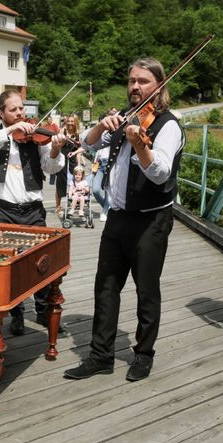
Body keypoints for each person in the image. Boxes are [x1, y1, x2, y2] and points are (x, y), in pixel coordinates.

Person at [64, 57, 185, 382]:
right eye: (132, 80)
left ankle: (143, 354)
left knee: (146, 291)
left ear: (159, 85)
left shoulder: (167, 125)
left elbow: (160, 173)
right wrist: (102, 126)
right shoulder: (125, 118)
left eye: (143, 81)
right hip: (117, 217)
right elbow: (87, 143)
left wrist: (138, 145)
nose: (135, 86)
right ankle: (100, 355)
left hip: (150, 220)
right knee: (105, 287)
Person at [0, 91, 66, 335]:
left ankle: (43, 309)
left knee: (41, 262)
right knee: (10, 265)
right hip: (4, 210)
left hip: (33, 210)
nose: (20, 114)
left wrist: (55, 149)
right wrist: (9, 130)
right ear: (1, 113)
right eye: (13, 110)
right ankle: (16, 315)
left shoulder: (36, 136)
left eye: (21, 109)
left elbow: (51, 166)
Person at [54, 115, 84, 217]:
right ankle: (58, 206)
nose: (70, 123)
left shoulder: (78, 134)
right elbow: (57, 144)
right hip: (62, 159)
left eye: (72, 121)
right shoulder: (63, 131)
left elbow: (80, 150)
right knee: (60, 182)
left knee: (76, 182)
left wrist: (79, 165)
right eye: (69, 121)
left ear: (75, 122)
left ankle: (75, 203)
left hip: (72, 159)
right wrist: (62, 135)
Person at [91, 126, 111, 222]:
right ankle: (106, 207)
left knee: (108, 190)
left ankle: (104, 211)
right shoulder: (101, 133)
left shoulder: (115, 133)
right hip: (99, 163)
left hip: (110, 163)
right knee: (95, 190)